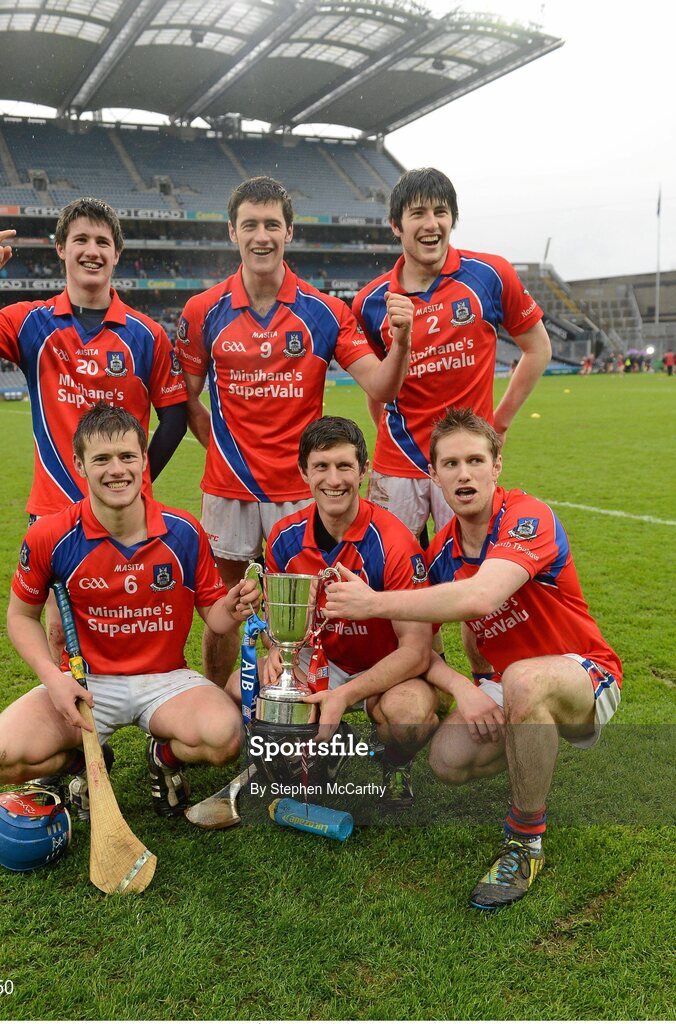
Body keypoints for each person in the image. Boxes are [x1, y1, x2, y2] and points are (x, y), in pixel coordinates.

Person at [323, 408, 622, 909]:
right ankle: (534, 740)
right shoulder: (441, 552)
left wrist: (374, 602)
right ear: (434, 475)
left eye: (475, 461)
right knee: (447, 761)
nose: (464, 474)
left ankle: (524, 843)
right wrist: (471, 685)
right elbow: (425, 651)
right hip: (509, 682)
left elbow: (481, 597)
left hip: (584, 672)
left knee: (525, 680)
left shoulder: (527, 516)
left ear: (496, 465)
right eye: (451, 464)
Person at [176, 176, 413, 685]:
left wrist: (401, 343)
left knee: (299, 616)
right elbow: (186, 396)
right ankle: (217, 703)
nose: (261, 236)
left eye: (271, 225)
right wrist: (219, 448)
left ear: (289, 232)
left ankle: (300, 701)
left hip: (300, 491)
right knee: (226, 610)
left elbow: (382, 385)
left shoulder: (324, 311)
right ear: (232, 232)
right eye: (249, 225)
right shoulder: (203, 310)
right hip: (229, 489)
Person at [0, 403, 260, 818]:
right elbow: (20, 617)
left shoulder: (183, 531)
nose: (117, 470)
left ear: (144, 460)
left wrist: (232, 608)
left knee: (225, 738)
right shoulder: (50, 535)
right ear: (79, 465)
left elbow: (214, 617)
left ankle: (164, 756)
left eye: (127, 456)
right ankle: (85, 763)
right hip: (86, 683)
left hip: (165, 680)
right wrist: (53, 680)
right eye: (102, 459)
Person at [0, 197, 188, 655]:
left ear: (116, 254)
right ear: (61, 249)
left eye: (103, 242)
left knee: (133, 626)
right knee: (61, 636)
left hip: (125, 509)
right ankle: (73, 703)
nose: (92, 250)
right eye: (81, 239)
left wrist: (138, 479)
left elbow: (175, 417)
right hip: (55, 510)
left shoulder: (146, 334)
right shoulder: (30, 321)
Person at [226, 416, 437, 808]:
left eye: (344, 466)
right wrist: (277, 652)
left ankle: (395, 763)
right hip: (321, 660)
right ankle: (329, 744)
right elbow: (278, 623)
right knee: (241, 688)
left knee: (409, 716)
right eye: (321, 466)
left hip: (385, 667)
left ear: (364, 470)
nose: (334, 479)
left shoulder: (395, 542)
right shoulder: (285, 537)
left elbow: (416, 651)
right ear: (303, 471)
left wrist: (343, 695)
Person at [353, 168, 552, 541]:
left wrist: (499, 425)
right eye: (418, 213)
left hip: (466, 460)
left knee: (468, 566)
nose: (432, 224)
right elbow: (375, 383)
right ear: (396, 225)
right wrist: (388, 435)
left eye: (441, 212)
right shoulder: (370, 302)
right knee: (390, 565)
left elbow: (538, 348)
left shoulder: (490, 275)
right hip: (398, 462)